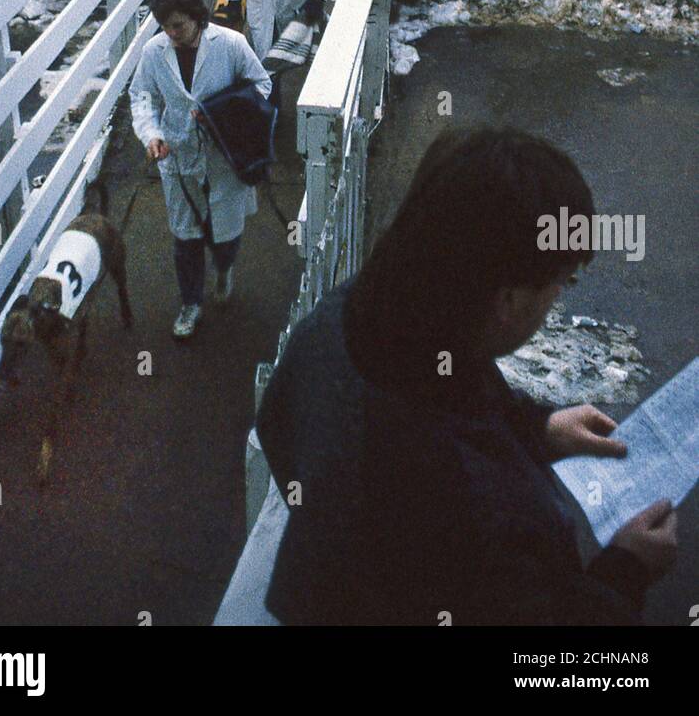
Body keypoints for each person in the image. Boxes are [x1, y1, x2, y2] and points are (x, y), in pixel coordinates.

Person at [256, 126, 678, 625]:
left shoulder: (350, 318)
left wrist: (534, 429)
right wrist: (626, 571)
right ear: (510, 301)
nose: (559, 296)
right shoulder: (467, 509)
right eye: (561, 282)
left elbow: (278, 423)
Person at [129, 0, 271, 339]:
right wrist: (153, 135)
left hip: (225, 156)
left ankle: (224, 268)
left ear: (197, 17)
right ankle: (191, 303)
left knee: (225, 233)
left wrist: (221, 112)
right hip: (178, 159)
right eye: (165, 27)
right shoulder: (153, 52)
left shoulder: (231, 45)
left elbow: (262, 86)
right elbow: (143, 97)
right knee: (185, 236)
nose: (171, 34)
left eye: (178, 25)